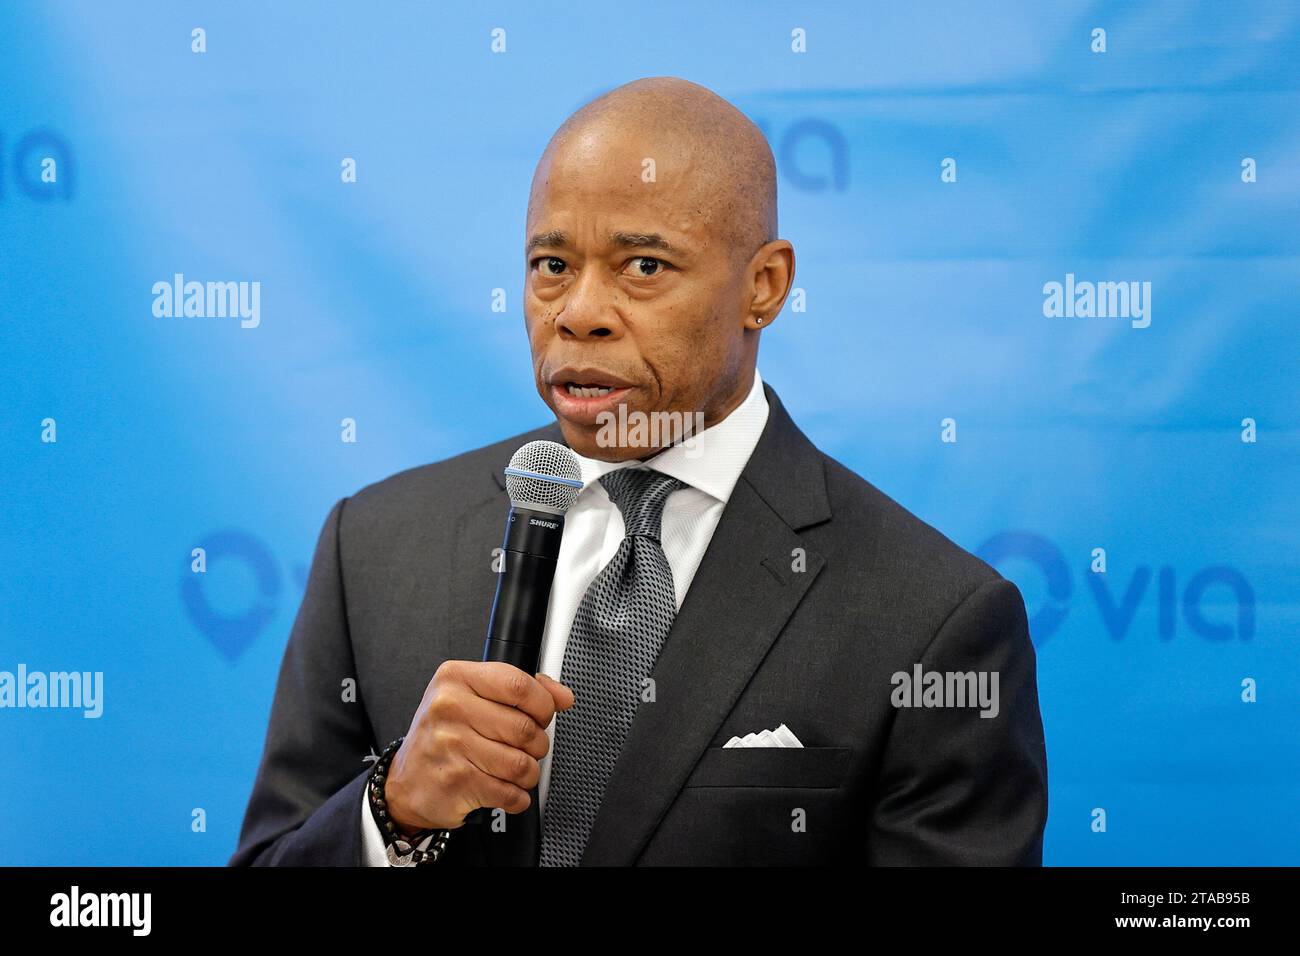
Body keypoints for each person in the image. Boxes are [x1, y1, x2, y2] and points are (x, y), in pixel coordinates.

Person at [229, 76, 1048, 867]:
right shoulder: (371, 547)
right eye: (551, 265)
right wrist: (392, 811)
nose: (578, 313)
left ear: (763, 286)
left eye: (643, 267)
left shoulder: (935, 621)